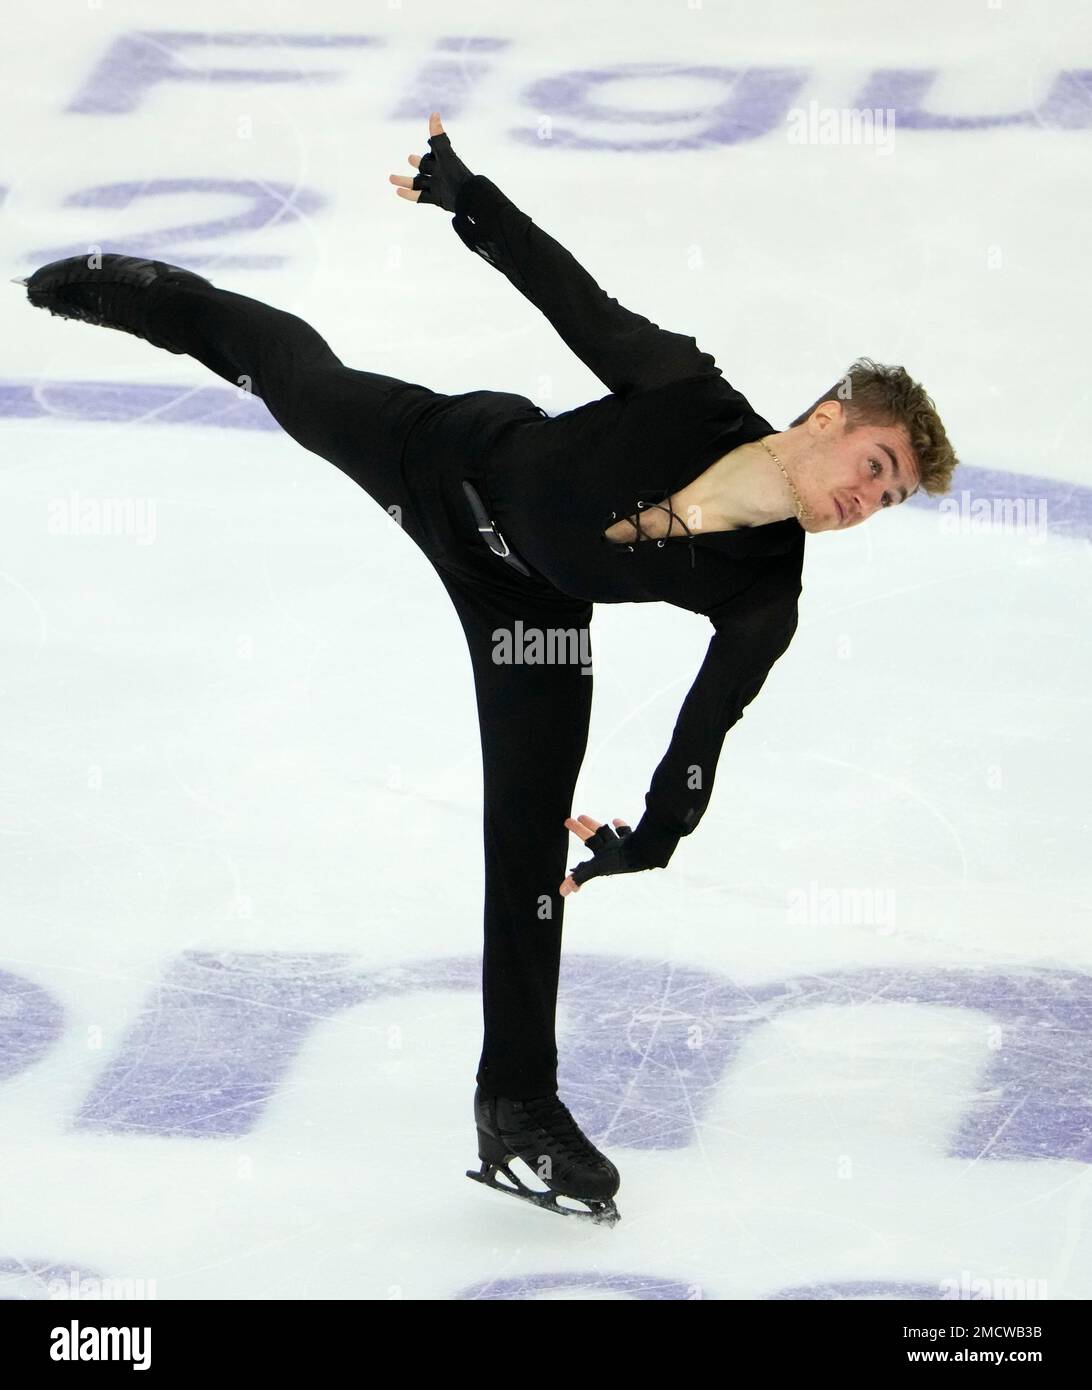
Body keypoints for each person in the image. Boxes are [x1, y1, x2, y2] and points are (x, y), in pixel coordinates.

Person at [17, 112, 958, 1225]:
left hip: (536, 614)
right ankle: (137, 289)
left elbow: (704, 733)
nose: (867, 499)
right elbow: (575, 300)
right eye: (877, 466)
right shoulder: (685, 393)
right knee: (288, 369)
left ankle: (517, 1109)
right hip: (449, 466)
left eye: (887, 499)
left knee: (526, 846)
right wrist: (471, 198)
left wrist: (648, 837)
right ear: (832, 417)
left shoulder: (767, 592)